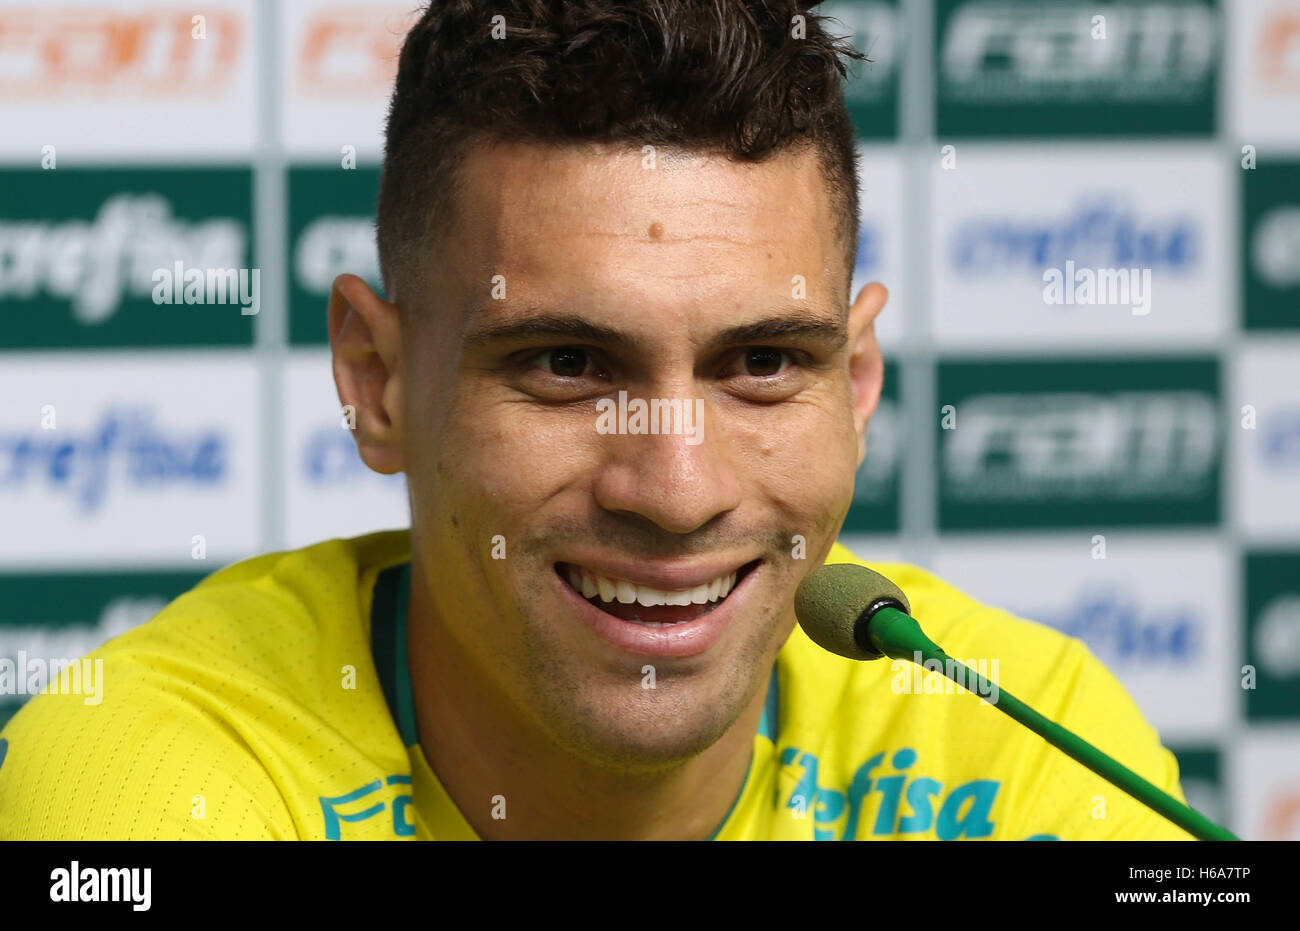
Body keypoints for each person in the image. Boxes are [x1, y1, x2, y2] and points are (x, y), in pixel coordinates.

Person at [0, 0, 1191, 840]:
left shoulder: (1020, 735)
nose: (675, 491)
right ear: (376, 381)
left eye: (764, 362)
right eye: (566, 363)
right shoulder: (151, 777)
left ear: (859, 385)